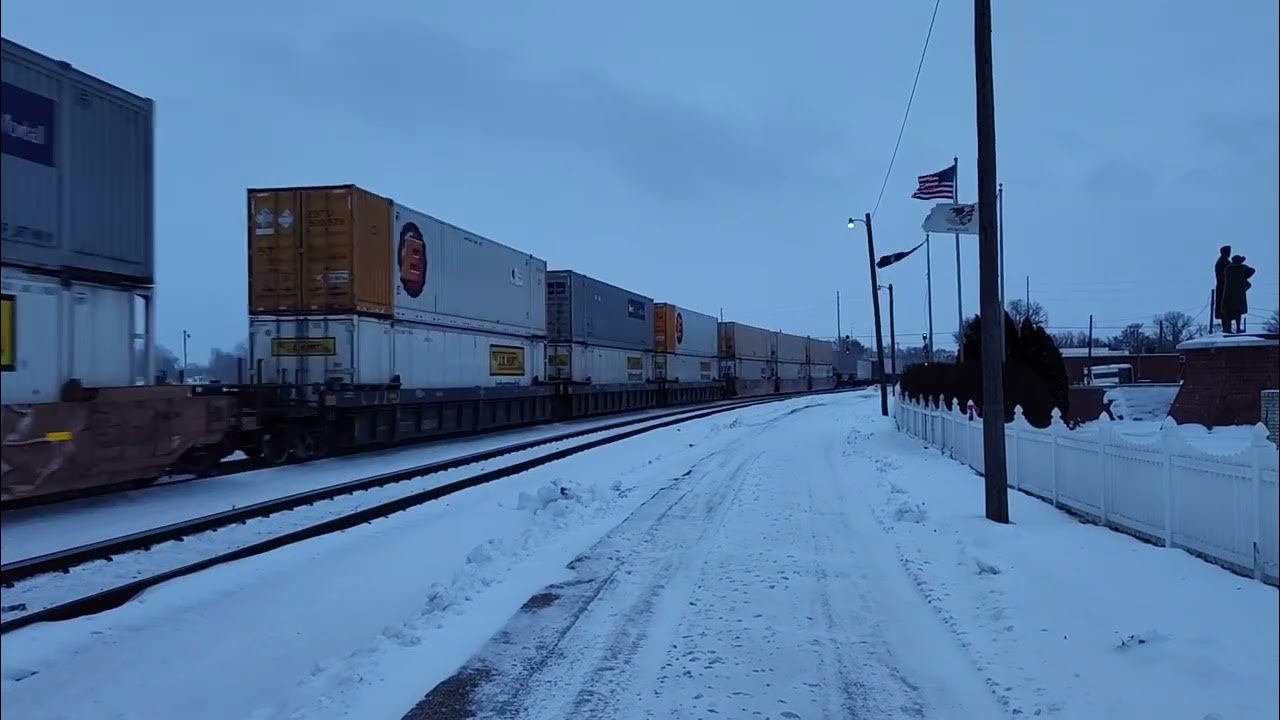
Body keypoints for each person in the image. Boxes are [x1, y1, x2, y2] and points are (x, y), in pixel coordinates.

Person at [1220, 254, 1255, 334]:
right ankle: (1238, 328)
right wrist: (1242, 264)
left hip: (1228, 293)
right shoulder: (1242, 268)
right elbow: (1252, 271)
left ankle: (1228, 329)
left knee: (1228, 312)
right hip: (1238, 294)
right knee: (1238, 312)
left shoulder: (1228, 269)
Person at [1214, 245, 1231, 330]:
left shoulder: (1223, 261)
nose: (1229, 253)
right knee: (1225, 308)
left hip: (1223, 287)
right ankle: (1226, 328)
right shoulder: (1223, 261)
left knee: (1226, 309)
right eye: (1228, 251)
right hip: (1223, 288)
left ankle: (1227, 328)